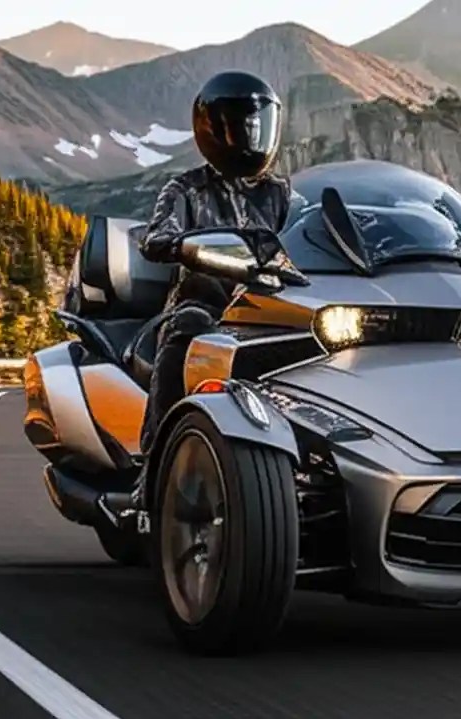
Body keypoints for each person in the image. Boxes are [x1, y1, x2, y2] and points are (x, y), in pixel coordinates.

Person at [136, 70, 292, 462]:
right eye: (242, 126)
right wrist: (183, 245)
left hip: (271, 305)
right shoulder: (186, 189)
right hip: (204, 303)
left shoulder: (281, 193)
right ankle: (157, 461)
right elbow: (154, 239)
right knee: (187, 327)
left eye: (259, 126)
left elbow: (307, 234)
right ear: (216, 130)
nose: (253, 136)